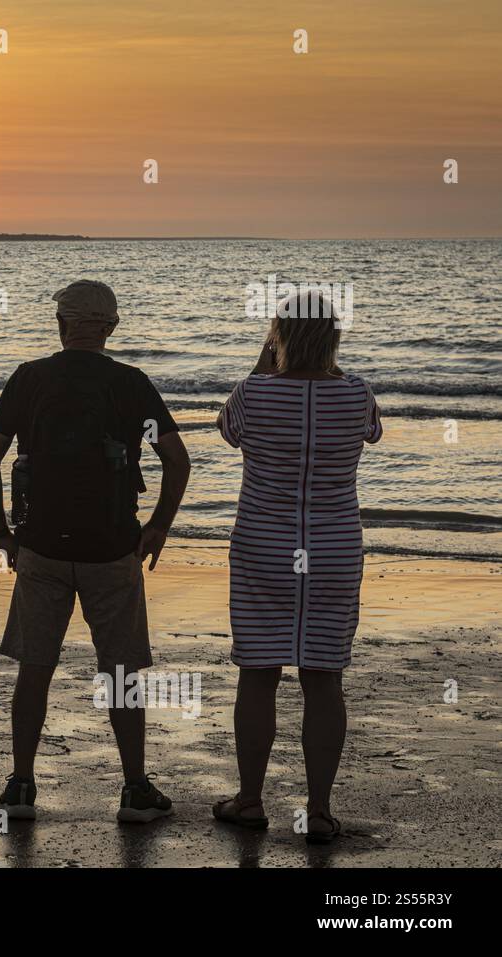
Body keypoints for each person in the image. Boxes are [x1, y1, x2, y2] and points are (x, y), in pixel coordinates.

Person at [0, 280, 190, 822]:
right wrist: (158, 526)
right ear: (110, 327)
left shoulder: (29, 379)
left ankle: (22, 786)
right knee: (119, 673)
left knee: (35, 667)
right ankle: (135, 790)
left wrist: (1, 534)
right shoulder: (131, 384)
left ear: (60, 325)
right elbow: (177, 460)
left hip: (40, 546)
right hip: (113, 547)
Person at [212, 291, 382, 845]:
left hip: (263, 545)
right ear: (334, 336)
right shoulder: (356, 393)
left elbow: (227, 430)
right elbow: (372, 432)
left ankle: (251, 800)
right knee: (323, 677)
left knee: (258, 672)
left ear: (277, 336)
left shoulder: (252, 392)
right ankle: (320, 809)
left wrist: (266, 362)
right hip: (333, 549)